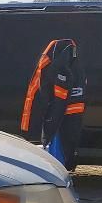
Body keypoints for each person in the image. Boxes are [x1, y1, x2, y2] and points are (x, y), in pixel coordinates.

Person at [20, 39, 86, 170]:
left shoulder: (58, 57)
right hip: (53, 121)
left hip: (50, 119)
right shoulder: (63, 61)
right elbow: (55, 103)